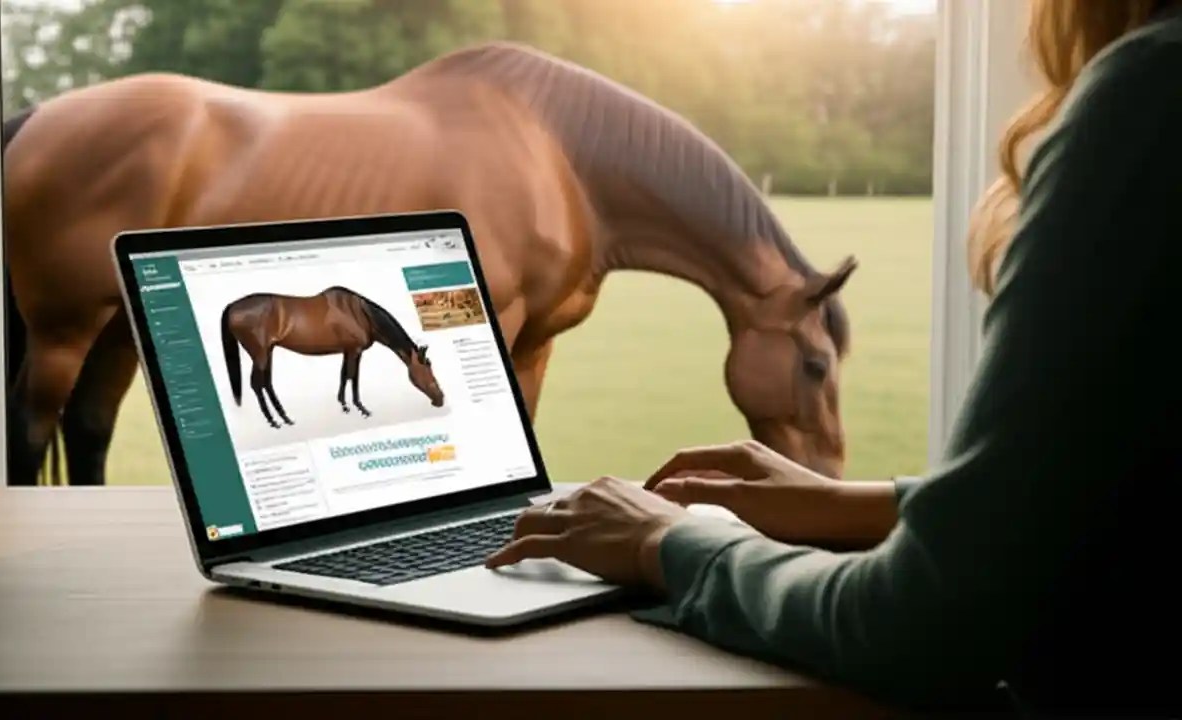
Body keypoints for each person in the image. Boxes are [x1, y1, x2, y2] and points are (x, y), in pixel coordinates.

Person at [486, 0, 1182, 714]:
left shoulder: (1151, 92)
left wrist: (664, 541)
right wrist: (849, 506)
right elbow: (1112, 495)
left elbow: (921, 623)